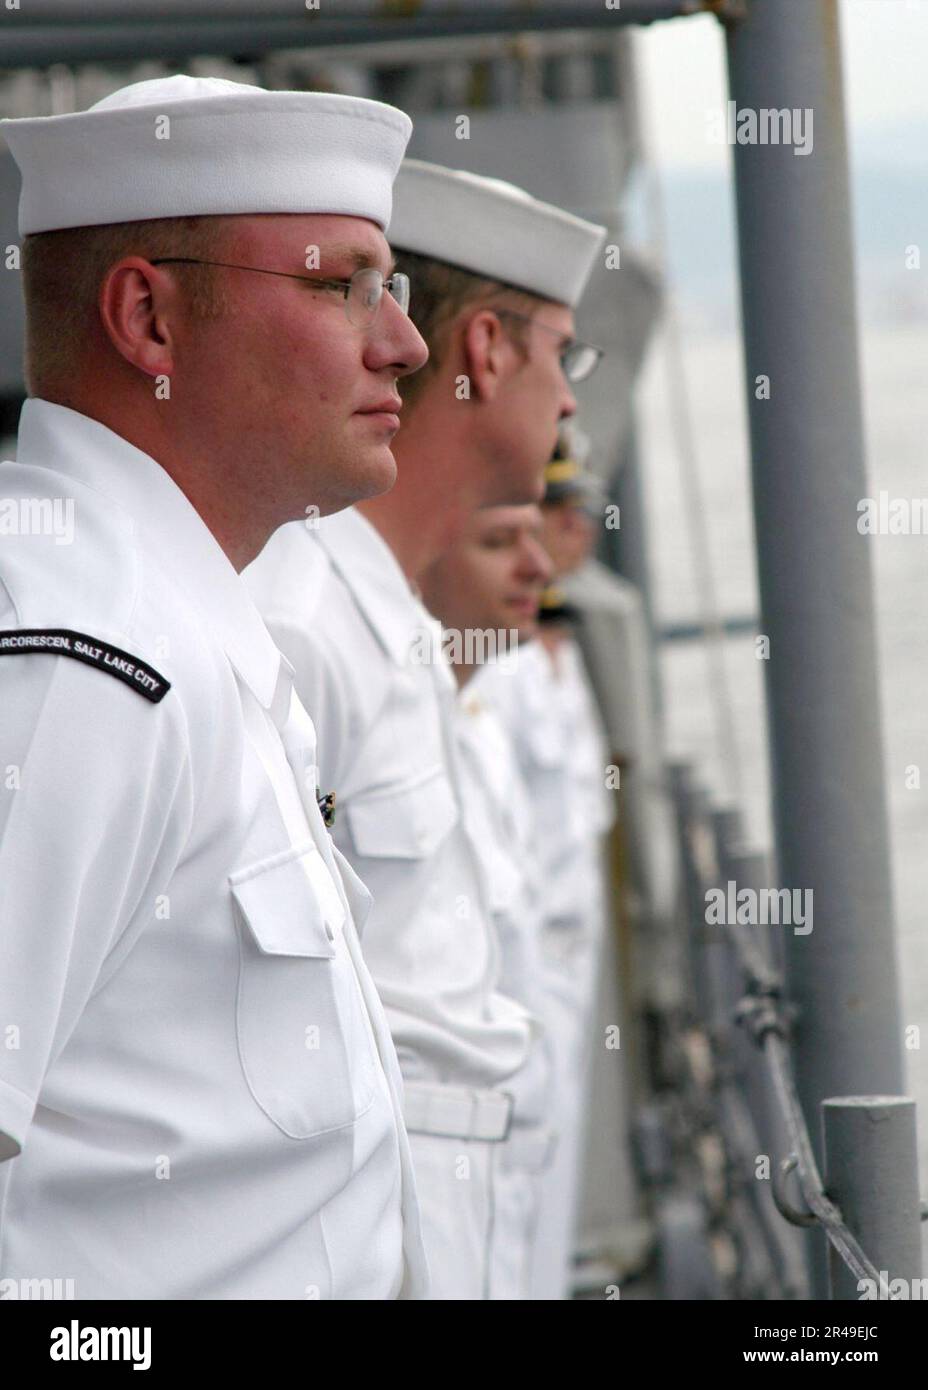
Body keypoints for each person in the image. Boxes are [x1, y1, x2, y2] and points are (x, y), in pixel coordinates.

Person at [0, 74, 430, 1300]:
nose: (402, 339)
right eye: (338, 283)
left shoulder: (181, 629)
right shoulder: (82, 665)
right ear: (150, 320)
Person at [245, 158, 606, 1298]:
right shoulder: (301, 623)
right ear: (489, 347)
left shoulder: (395, 628)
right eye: (563, 351)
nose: (571, 397)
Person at [418, 503, 558, 1299]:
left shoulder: (474, 721)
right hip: (435, 1182)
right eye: (500, 542)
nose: (538, 568)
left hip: (511, 1152)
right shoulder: (359, 713)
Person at [493, 428, 616, 1299]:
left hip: (567, 974)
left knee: (549, 1193)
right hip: (518, 980)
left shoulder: (560, 643)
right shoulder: (493, 662)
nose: (580, 527)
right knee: (508, 1210)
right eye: (559, 509)